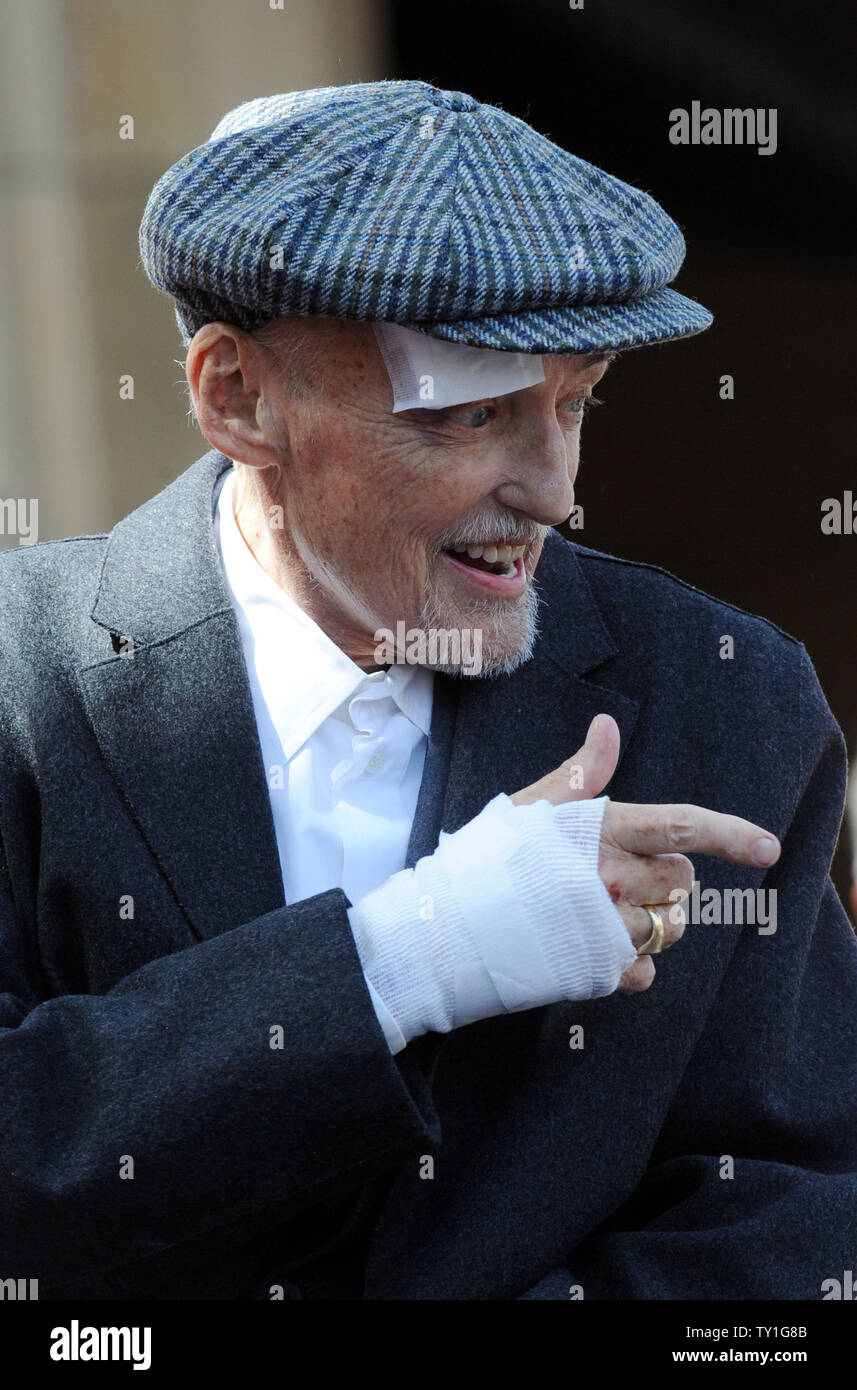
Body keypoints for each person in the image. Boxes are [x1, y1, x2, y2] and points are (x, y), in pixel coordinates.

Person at [1, 80, 855, 1301]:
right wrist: (403, 960)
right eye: (473, 417)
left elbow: (794, 1212)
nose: (555, 492)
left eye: (575, 404)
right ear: (236, 396)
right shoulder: (18, 679)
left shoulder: (726, 699)